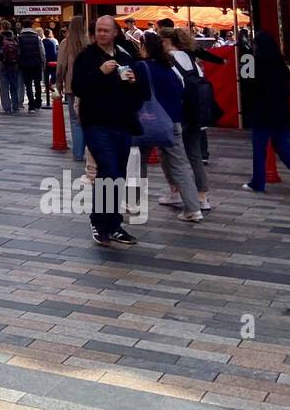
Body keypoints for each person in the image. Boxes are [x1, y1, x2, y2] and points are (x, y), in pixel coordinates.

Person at [74, 16, 147, 246]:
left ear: (116, 32)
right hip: (97, 124)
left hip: (122, 123)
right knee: (109, 170)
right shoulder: (86, 57)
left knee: (118, 175)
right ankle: (99, 221)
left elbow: (141, 93)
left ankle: (113, 224)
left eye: (106, 30)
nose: (102, 34)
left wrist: (135, 82)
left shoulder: (126, 56)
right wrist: (100, 72)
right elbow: (78, 87)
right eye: (98, 30)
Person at [135, 33, 204, 222]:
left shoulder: (141, 67)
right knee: (180, 165)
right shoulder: (170, 67)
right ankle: (193, 208)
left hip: (146, 122)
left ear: (145, 49)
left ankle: (135, 204)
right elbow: (181, 92)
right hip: (173, 122)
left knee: (138, 163)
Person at [239, 30, 290, 195]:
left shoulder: (254, 62)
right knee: (283, 145)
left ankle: (258, 182)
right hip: (281, 110)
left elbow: (248, 87)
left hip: (262, 111)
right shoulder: (281, 63)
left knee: (260, 148)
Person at [163, 27, 215, 212]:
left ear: (167, 41)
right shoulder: (191, 59)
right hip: (196, 113)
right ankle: (203, 196)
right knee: (195, 155)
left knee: (169, 155)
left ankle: (175, 191)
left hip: (177, 114)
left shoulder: (168, 60)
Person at [55, 16, 89, 173]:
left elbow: (61, 65)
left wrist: (59, 83)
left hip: (71, 86)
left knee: (75, 120)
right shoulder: (88, 42)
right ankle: (90, 151)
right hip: (88, 86)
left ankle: (78, 153)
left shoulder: (65, 43)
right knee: (87, 119)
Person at [16, 20, 46, 111]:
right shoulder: (37, 37)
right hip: (36, 63)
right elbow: (42, 52)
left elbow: (18, 52)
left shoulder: (19, 38)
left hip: (25, 64)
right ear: (32, 26)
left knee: (28, 85)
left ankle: (31, 105)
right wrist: (43, 63)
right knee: (37, 84)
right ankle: (38, 102)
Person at [0, 19, 21, 113]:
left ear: (1, 27)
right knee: (14, 84)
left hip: (1, 62)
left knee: (3, 85)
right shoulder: (14, 37)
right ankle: (16, 105)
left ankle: (6, 107)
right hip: (14, 63)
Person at [42, 28, 59, 100]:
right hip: (52, 61)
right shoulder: (53, 41)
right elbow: (55, 52)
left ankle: (47, 86)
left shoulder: (42, 41)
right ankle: (50, 84)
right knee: (54, 74)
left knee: (46, 74)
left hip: (45, 61)